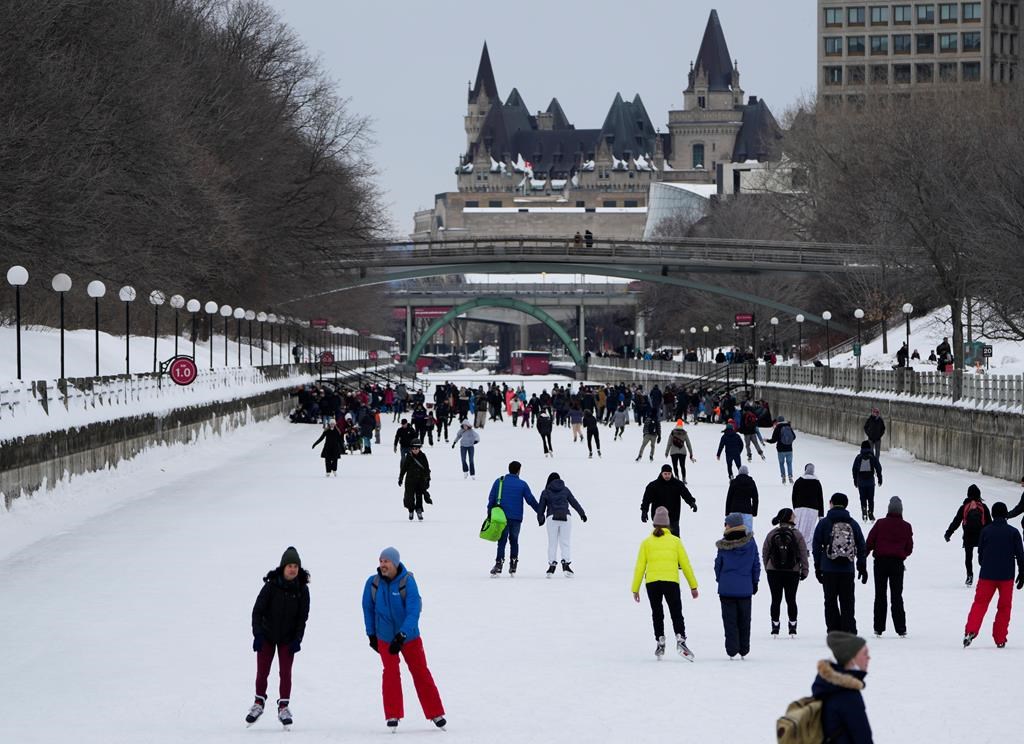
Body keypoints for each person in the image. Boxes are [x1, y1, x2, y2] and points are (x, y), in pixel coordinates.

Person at [362, 547, 446, 732]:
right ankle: (393, 714)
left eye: (387, 561)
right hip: (384, 636)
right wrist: (371, 635)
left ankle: (435, 713)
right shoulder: (373, 583)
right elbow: (367, 608)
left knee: (420, 672)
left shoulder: (407, 581)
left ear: (395, 563)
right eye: (381, 561)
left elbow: (413, 610)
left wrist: (403, 634)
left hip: (409, 637)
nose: (383, 565)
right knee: (390, 673)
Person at [246, 547, 310, 728]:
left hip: (288, 638)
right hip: (267, 635)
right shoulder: (271, 586)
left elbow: (302, 618)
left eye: (295, 566)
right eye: (289, 565)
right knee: (262, 671)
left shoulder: (302, 590)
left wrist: (298, 639)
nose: (293, 569)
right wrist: (258, 634)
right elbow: (257, 611)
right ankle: (258, 702)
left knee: (285, 673)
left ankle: (283, 706)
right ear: (283, 567)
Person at [631, 506, 699, 660]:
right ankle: (680, 638)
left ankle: (660, 639)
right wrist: (693, 586)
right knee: (676, 612)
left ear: (654, 524)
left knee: (657, 613)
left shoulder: (646, 543)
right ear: (668, 524)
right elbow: (685, 564)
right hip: (671, 582)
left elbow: (640, 567)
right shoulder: (676, 541)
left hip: (652, 583)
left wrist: (635, 589)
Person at [963, 502, 1024, 648]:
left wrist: (986, 564)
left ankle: (970, 630)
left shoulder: (986, 531)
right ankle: (1000, 638)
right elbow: (1021, 555)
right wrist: (1022, 572)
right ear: (1005, 515)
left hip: (987, 575)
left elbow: (980, 554)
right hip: (1006, 576)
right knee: (1004, 607)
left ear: (993, 514)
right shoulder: (1013, 532)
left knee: (980, 603)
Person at [812, 493, 868, 634]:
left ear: (831, 503)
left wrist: (818, 566)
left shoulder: (824, 523)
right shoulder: (853, 523)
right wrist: (862, 565)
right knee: (847, 601)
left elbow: (816, 545)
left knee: (830, 601)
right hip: (847, 569)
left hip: (828, 568)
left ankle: (833, 630)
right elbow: (861, 545)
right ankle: (848, 629)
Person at [810, 632, 874, 743]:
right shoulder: (848, 696)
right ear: (852, 658)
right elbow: (863, 739)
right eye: (864, 653)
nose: (869, 657)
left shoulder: (826, 685)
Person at [865, 496, 913, 638]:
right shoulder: (906, 526)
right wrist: (901, 554)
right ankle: (901, 628)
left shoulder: (880, 524)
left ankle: (878, 628)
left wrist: (863, 556)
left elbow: (870, 542)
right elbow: (909, 548)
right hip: (897, 564)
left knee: (880, 595)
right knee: (897, 596)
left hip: (880, 562)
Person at [715, 512, 761, 659]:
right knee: (744, 620)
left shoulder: (723, 544)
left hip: (726, 589)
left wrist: (720, 580)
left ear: (731, 525)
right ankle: (744, 649)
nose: (725, 525)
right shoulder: (751, 542)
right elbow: (756, 565)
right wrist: (755, 582)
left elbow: (718, 565)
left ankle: (731, 649)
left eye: (726, 523)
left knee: (730, 621)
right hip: (745, 588)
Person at [487, 461, 540, 576]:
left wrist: (489, 513)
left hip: (501, 518)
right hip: (516, 518)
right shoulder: (522, 484)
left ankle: (499, 564)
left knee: (502, 541)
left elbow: (491, 498)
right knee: (514, 540)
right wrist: (540, 512)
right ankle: (513, 563)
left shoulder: (499, 481)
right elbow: (530, 500)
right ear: (518, 470)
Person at [762, 508, 809, 637]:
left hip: (774, 571)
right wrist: (804, 569)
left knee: (775, 599)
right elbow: (803, 553)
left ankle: (775, 626)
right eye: (793, 515)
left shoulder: (772, 533)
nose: (795, 517)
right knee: (791, 599)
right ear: (789, 518)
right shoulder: (797, 534)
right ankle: (792, 626)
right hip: (792, 571)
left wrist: (767, 566)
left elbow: (765, 551)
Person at [537, 472, 587, 576]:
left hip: (552, 517)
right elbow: (574, 502)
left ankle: (552, 566)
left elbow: (541, 508)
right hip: (566, 517)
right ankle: (566, 565)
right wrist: (582, 514)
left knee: (552, 543)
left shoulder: (546, 491)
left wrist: (540, 519)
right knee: (565, 542)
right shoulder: (565, 489)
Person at [944, 484, 992, 585]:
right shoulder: (983, 507)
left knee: (968, 557)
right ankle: (984, 576)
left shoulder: (964, 507)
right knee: (982, 556)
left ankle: (969, 576)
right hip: (981, 536)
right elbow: (989, 523)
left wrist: (949, 533)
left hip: (968, 535)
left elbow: (956, 521)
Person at [641, 464, 697, 537]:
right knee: (659, 539)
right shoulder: (653, 485)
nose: (667, 476)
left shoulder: (677, 484)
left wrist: (691, 502)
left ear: (671, 473)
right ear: (661, 473)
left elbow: (685, 494)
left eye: (669, 474)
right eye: (665, 474)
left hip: (673, 517)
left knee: (674, 538)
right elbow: (646, 499)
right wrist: (644, 511)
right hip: (659, 518)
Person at [792, 463, 825, 549]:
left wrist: (795, 507)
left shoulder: (799, 481)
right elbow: (820, 498)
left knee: (798, 526)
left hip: (800, 508)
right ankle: (806, 547)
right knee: (809, 529)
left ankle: (797, 544)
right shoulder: (817, 483)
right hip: (813, 509)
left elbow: (794, 496)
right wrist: (821, 514)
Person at [398, 441, 431, 521]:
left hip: (420, 480)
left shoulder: (423, 456)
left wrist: (427, 478)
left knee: (419, 496)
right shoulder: (409, 456)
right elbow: (404, 468)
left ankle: (419, 510)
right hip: (410, 480)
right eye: (413, 448)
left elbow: (426, 468)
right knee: (409, 497)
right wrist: (401, 477)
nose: (415, 450)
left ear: (419, 448)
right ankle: (411, 510)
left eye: (416, 448)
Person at [851, 440, 883, 522]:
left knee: (863, 498)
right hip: (870, 482)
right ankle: (871, 513)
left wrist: (855, 480)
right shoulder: (872, 457)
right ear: (869, 448)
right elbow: (878, 468)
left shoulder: (858, 457)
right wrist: (880, 478)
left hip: (861, 482)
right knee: (871, 498)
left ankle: (864, 512)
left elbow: (854, 469)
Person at [725, 464, 759, 535]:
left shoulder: (734, 482)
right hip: (747, 511)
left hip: (734, 510)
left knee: (732, 533)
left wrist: (727, 513)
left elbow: (729, 498)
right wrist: (754, 511)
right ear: (747, 473)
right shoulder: (751, 482)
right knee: (748, 534)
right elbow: (755, 498)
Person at [767, 416, 797, 484]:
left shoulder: (777, 428)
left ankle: (783, 477)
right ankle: (790, 476)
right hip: (789, 449)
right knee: (789, 463)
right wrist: (788, 441)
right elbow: (794, 437)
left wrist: (767, 440)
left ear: (778, 421)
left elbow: (773, 440)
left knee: (781, 463)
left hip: (780, 450)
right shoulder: (789, 427)